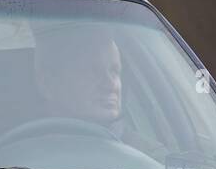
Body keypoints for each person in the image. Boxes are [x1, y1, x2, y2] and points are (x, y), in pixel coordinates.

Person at [27, 24, 166, 160]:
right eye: (92, 71)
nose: (110, 84)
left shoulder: (149, 158)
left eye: (114, 71)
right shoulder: (15, 159)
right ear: (48, 83)